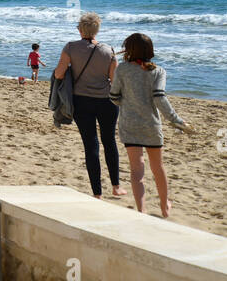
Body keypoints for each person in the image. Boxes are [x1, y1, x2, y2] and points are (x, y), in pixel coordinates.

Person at [111, 33, 193, 217]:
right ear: (150, 50)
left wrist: (127, 103)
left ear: (129, 49)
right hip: (151, 126)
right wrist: (176, 120)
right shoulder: (158, 71)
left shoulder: (122, 69)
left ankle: (142, 210)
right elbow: (159, 98)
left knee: (136, 170)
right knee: (158, 167)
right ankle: (164, 207)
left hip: (129, 124)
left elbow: (114, 96)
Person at [54, 12, 123, 199]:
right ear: (97, 30)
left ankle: (97, 193)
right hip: (107, 102)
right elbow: (113, 80)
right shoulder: (108, 50)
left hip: (81, 101)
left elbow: (59, 74)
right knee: (109, 141)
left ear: (80, 30)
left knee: (90, 144)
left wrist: (69, 69)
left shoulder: (70, 47)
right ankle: (116, 186)